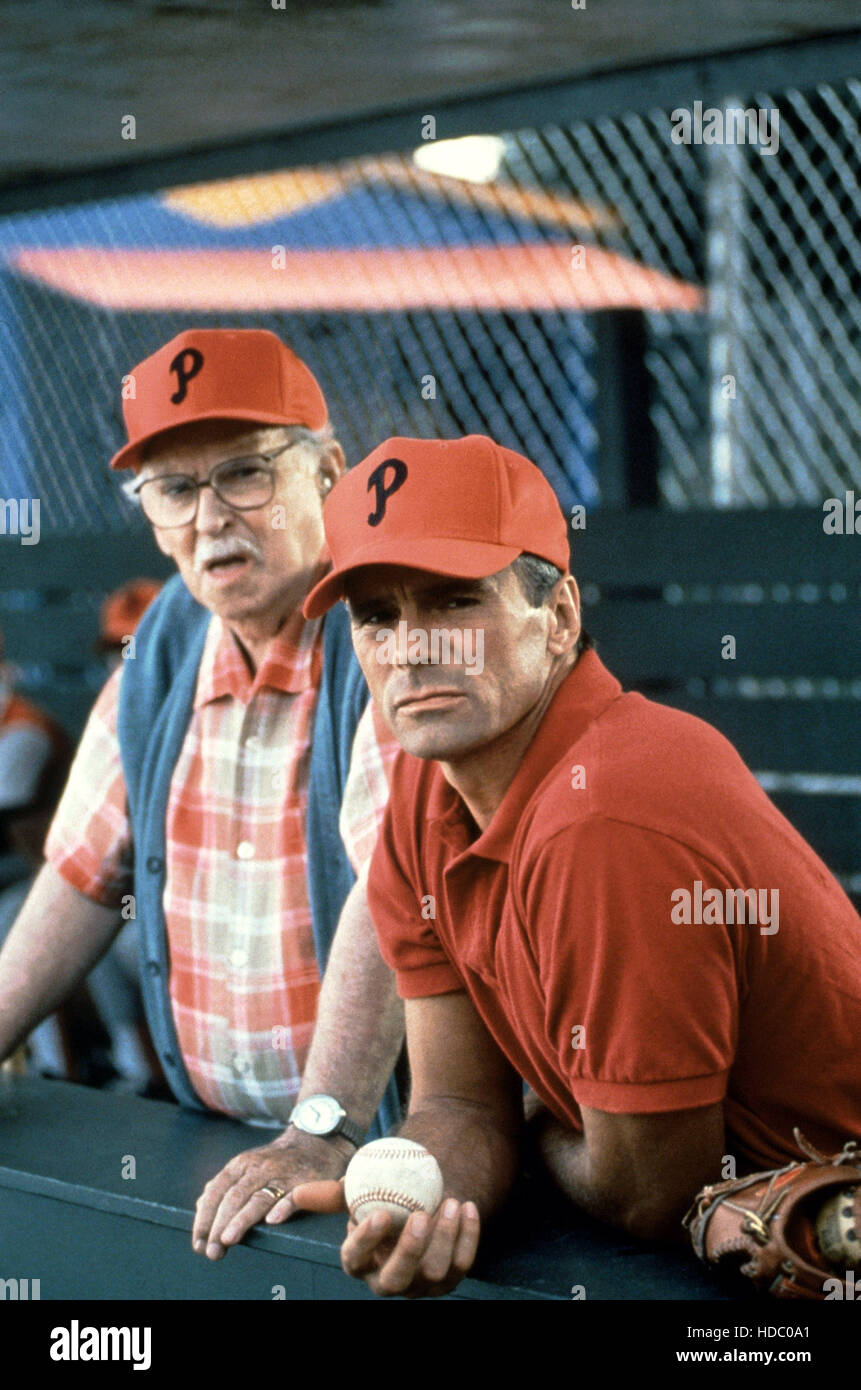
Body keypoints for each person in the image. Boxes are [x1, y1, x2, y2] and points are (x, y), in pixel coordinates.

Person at [292, 432, 861, 1298]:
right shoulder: (422, 786)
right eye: (376, 615)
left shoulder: (606, 812)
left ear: (556, 617)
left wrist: (524, 1131)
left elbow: (648, 1191)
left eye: (452, 604)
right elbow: (457, 1104)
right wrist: (423, 1207)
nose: (410, 648)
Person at [0, 329, 404, 1263]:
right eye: (174, 489)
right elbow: (79, 875)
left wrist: (323, 1124)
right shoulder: (165, 641)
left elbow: (394, 896)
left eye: (244, 473)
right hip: (218, 1147)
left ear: (330, 471)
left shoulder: (385, 619)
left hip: (386, 1146)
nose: (210, 516)